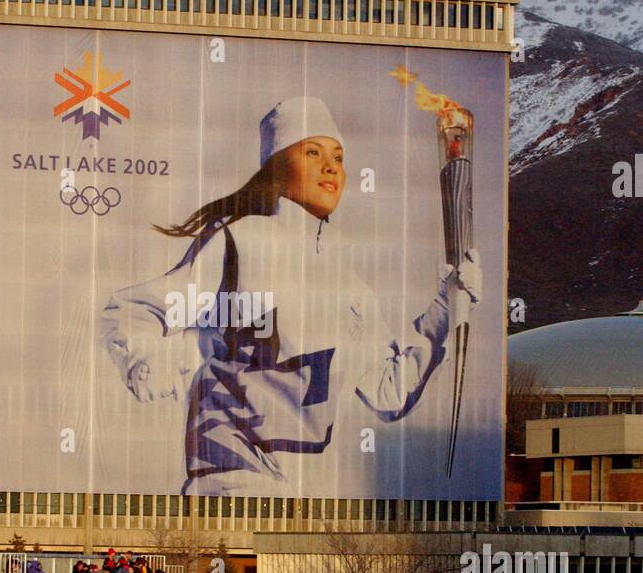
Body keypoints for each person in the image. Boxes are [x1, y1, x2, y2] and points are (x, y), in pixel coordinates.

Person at [101, 95, 481, 494]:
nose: (331, 165)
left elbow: (388, 392)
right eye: (312, 152)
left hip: (307, 503)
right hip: (232, 482)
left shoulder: (349, 287)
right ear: (278, 168)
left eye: (338, 155)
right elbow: (131, 309)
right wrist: (143, 360)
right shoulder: (239, 241)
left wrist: (447, 305)